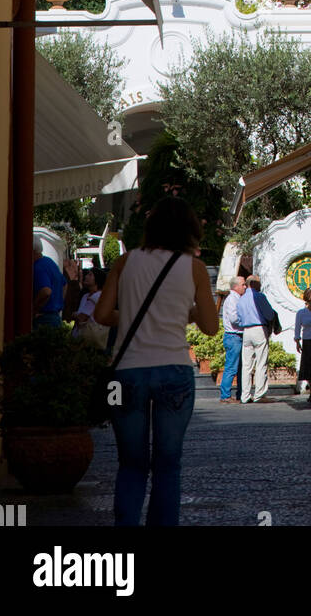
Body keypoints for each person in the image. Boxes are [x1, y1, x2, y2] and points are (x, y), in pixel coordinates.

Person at [94, 197, 218, 527]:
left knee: (130, 463)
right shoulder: (194, 268)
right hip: (173, 372)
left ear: (151, 227)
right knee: (168, 463)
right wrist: (180, 314)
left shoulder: (124, 262)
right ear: (189, 230)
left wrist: (135, 314)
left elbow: (102, 314)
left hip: (125, 376)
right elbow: (210, 325)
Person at [237, 276, 279, 403]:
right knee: (261, 363)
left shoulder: (241, 299)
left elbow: (239, 318)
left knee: (246, 365)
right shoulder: (259, 296)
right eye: (259, 283)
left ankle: (245, 395)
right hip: (259, 329)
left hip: (246, 331)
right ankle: (259, 394)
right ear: (254, 284)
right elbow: (269, 314)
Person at [219, 276, 246, 403]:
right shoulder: (232, 299)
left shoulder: (237, 298)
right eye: (243, 284)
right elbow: (234, 319)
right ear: (236, 286)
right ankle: (225, 395)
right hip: (234, 336)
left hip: (237, 336)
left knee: (239, 367)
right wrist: (247, 322)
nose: (245, 287)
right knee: (231, 367)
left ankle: (239, 394)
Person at [71, 267, 109, 348]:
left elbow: (82, 317)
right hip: (80, 336)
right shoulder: (85, 296)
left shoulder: (97, 297)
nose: (86, 277)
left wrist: (75, 315)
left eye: (90, 275)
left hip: (89, 337)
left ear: (97, 280)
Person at [32, 236, 65, 329]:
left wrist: (34, 309)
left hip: (43, 319)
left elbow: (46, 291)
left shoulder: (37, 267)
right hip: (55, 316)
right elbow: (64, 284)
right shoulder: (49, 262)